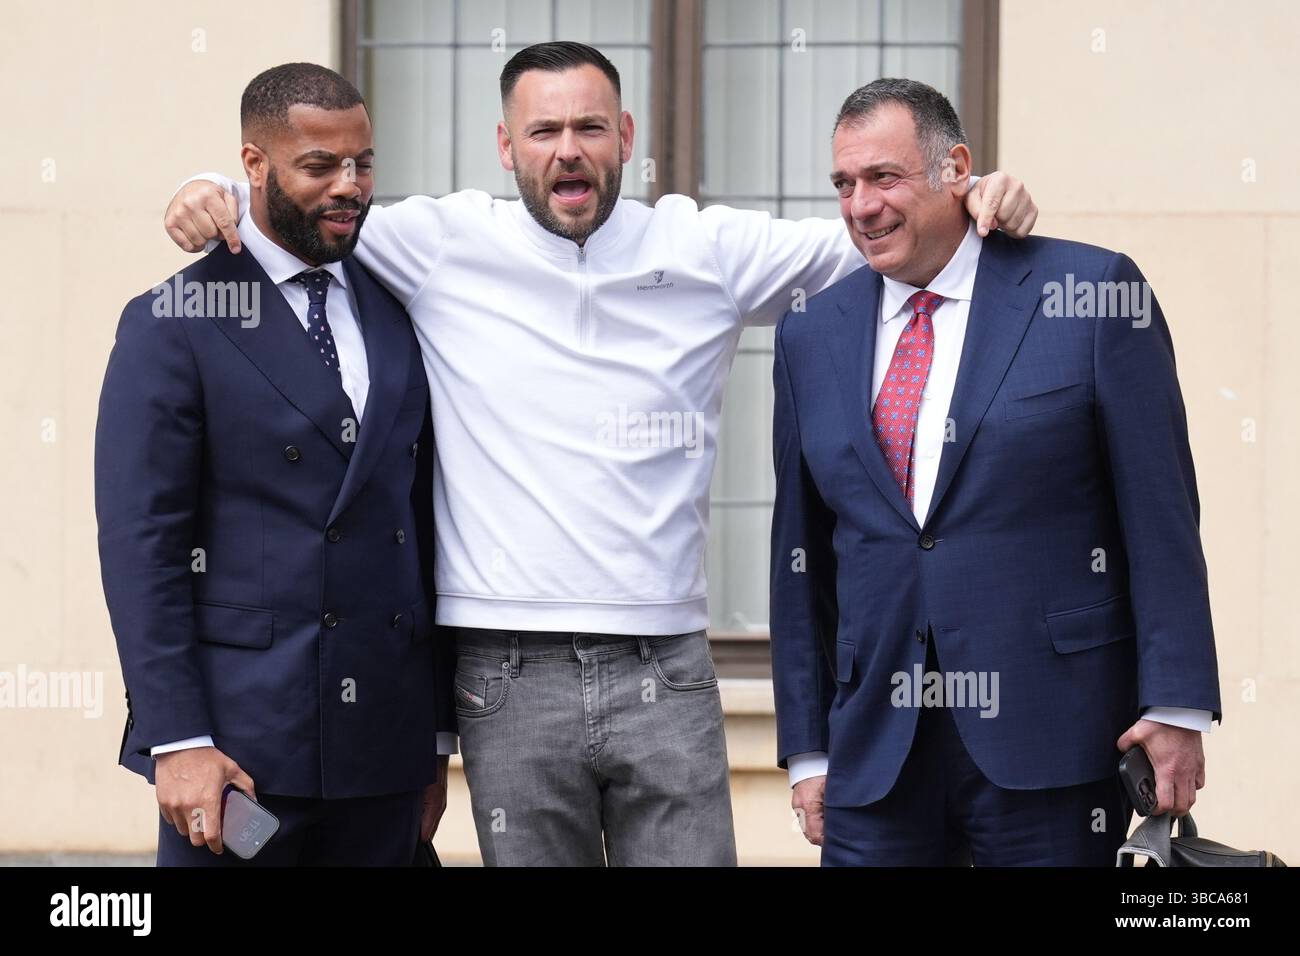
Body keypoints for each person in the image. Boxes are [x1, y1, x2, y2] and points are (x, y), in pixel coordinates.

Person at [162, 43, 1040, 866]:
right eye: (544, 131)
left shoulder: (706, 249)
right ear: (507, 147)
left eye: (590, 127)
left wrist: (978, 197)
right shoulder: (437, 244)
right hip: (505, 677)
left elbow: (885, 240)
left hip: (669, 666)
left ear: (625, 138)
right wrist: (210, 187)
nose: (568, 151)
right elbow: (304, 205)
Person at [770, 78, 1221, 866]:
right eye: (844, 184)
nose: (860, 206)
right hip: (874, 756)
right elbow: (798, 556)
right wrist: (808, 749)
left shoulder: (1092, 293)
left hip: (1054, 741)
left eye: (884, 177)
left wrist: (1178, 704)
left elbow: (1161, 515)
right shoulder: (811, 334)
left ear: (958, 171)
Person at [96, 63, 455, 865]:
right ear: (253, 166)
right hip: (236, 758)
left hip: (382, 754)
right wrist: (176, 738)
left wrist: (429, 736)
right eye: (320, 166)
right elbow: (141, 548)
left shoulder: (400, 303)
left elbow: (419, 521)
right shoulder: (176, 319)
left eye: (362, 163)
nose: (349, 186)